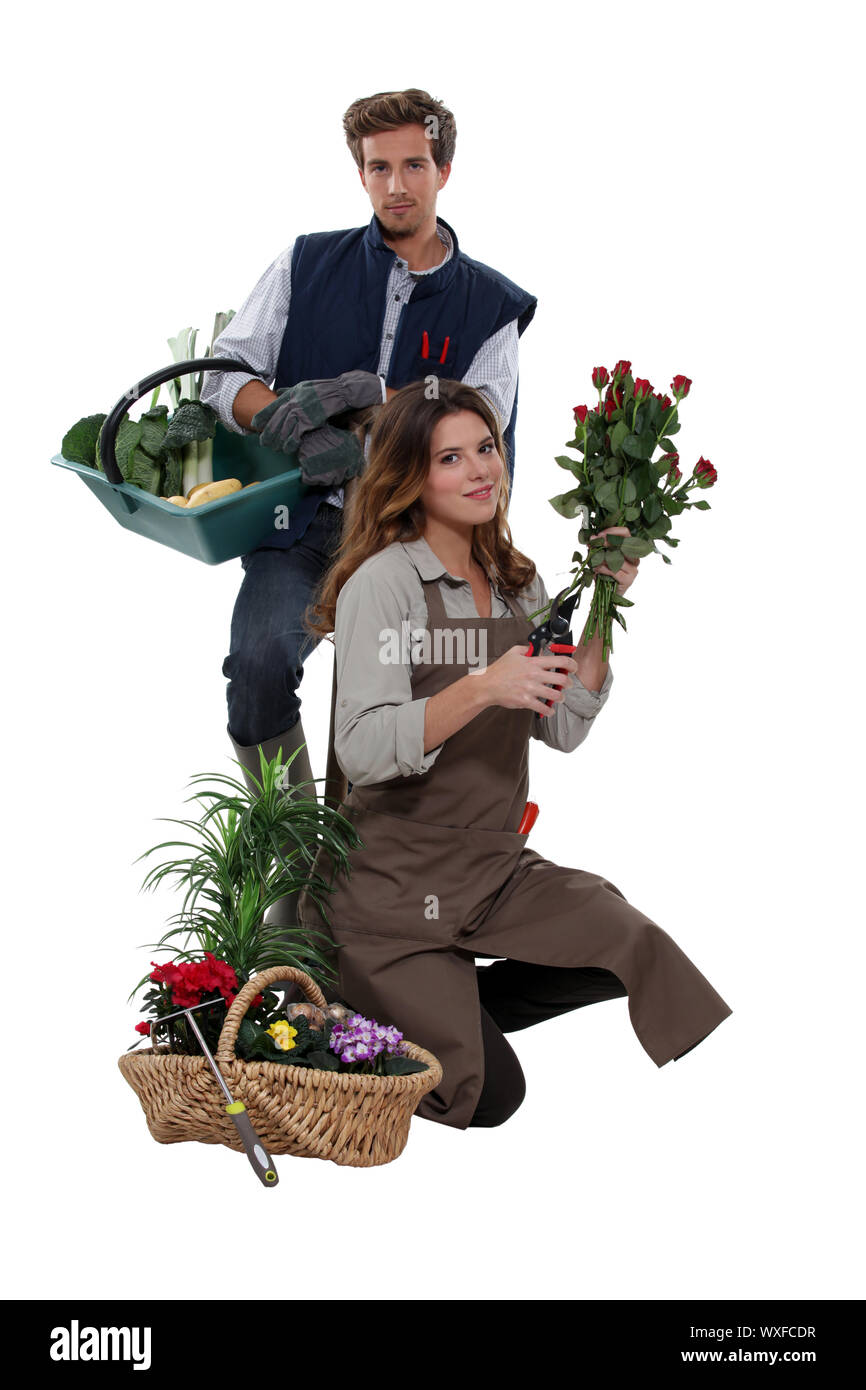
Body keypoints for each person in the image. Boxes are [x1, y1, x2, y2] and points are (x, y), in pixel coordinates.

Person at [298, 378, 733, 1130]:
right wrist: (483, 685)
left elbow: (562, 727)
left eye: (488, 448)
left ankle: (454, 1005)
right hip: (394, 887)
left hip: (491, 870)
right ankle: (365, 1001)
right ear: (409, 477)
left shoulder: (517, 583)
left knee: (624, 945)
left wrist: (601, 603)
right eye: (450, 458)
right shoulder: (383, 585)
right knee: (492, 1096)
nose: (480, 471)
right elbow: (363, 749)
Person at [200, 89, 537, 920]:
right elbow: (223, 374)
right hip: (305, 524)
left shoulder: (490, 306)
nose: (396, 185)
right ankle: (297, 861)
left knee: (390, 715)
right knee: (259, 670)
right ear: (360, 173)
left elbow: (486, 437)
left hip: (415, 542)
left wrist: (372, 409)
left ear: (443, 171)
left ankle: (384, 897)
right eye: (378, 167)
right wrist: (275, 416)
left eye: (412, 165)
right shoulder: (305, 262)